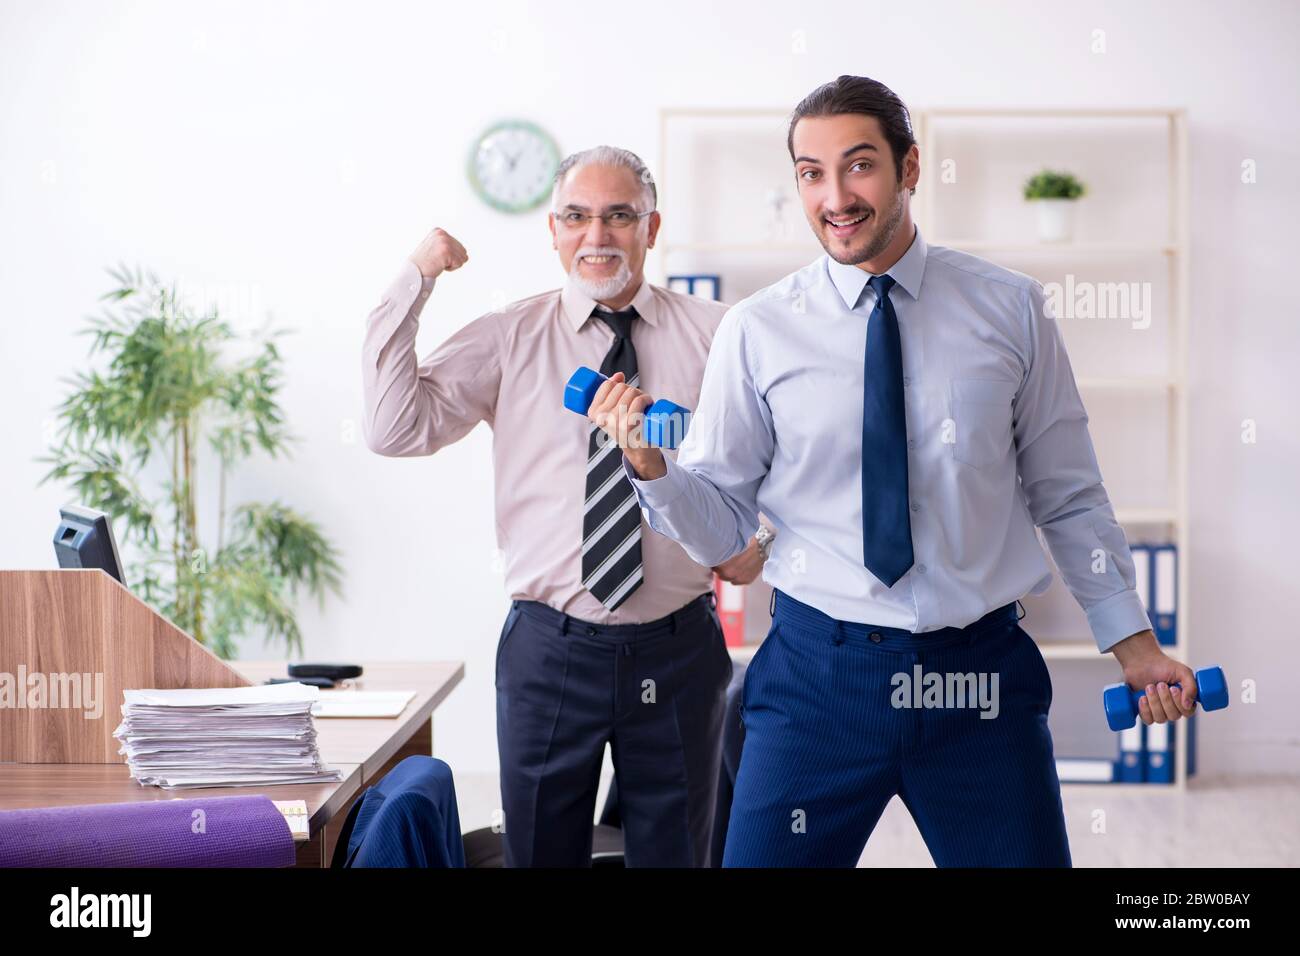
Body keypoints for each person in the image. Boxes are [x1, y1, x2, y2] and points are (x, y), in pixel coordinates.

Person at [588, 76, 1198, 867]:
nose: (835, 195)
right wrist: (652, 471)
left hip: (976, 684)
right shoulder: (758, 330)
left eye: (860, 165)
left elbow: (1069, 494)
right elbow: (724, 526)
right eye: (811, 172)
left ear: (911, 168)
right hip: (816, 684)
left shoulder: (1010, 310)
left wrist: (1133, 641)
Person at [361, 145, 768, 867]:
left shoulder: (719, 333)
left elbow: (781, 461)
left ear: (653, 226)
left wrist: (755, 538)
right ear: (552, 231)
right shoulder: (508, 337)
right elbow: (395, 428)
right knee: (544, 856)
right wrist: (414, 279)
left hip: (678, 647)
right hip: (550, 652)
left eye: (619, 216)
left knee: (678, 856)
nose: (598, 235)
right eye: (577, 217)